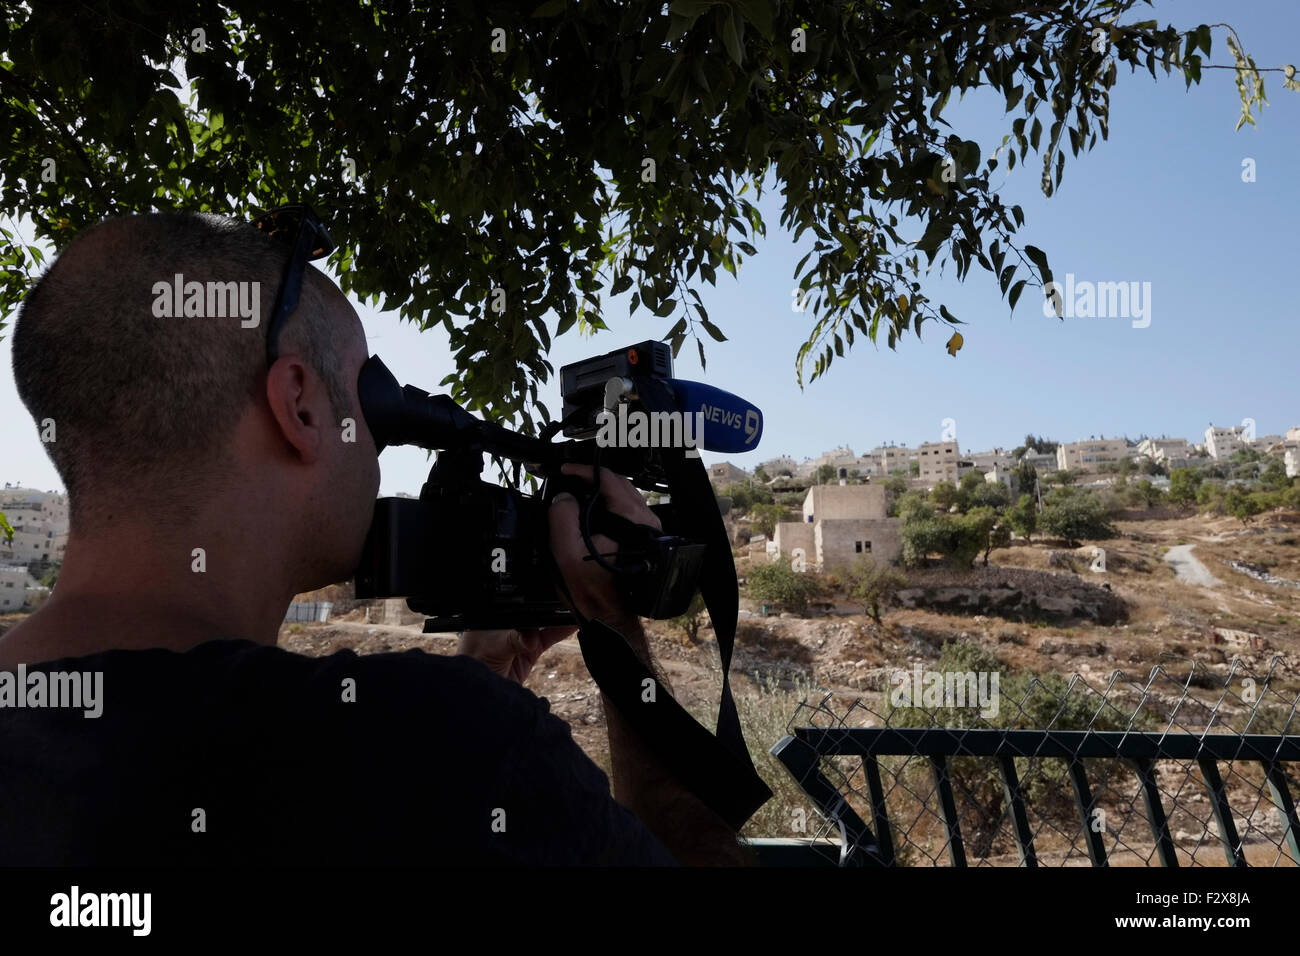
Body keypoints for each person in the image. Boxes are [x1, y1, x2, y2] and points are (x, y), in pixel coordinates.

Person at [0, 211, 752, 866]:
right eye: (373, 395)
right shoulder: (440, 743)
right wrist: (615, 623)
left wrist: (488, 674)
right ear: (297, 405)